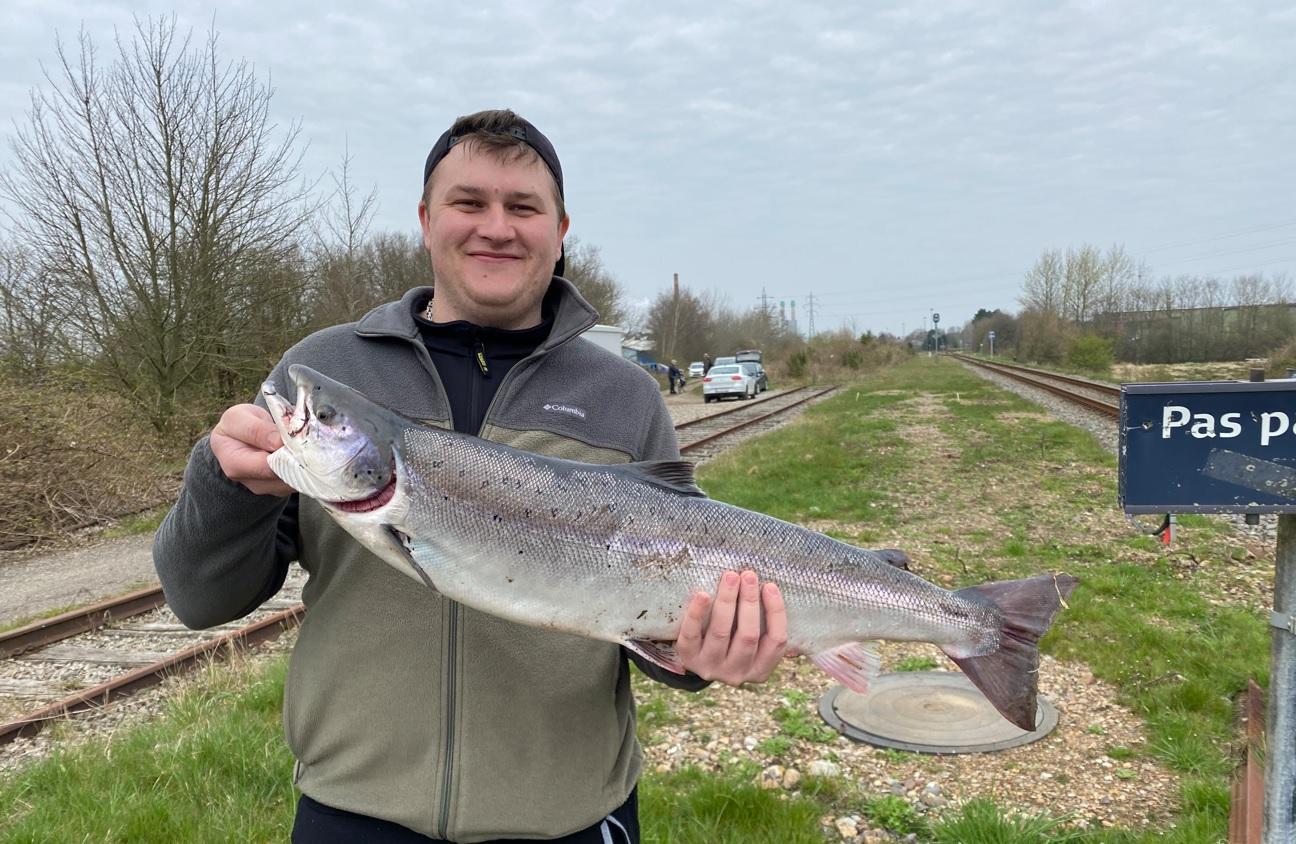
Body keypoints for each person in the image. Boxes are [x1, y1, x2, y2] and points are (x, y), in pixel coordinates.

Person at [153, 109, 789, 844]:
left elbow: (658, 615)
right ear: (427, 221)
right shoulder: (326, 371)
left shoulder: (625, 397)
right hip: (352, 810)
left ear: (560, 230)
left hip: (569, 818)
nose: (496, 227)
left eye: (523, 207)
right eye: (469, 202)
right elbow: (201, 599)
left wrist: (702, 653)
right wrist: (224, 483)